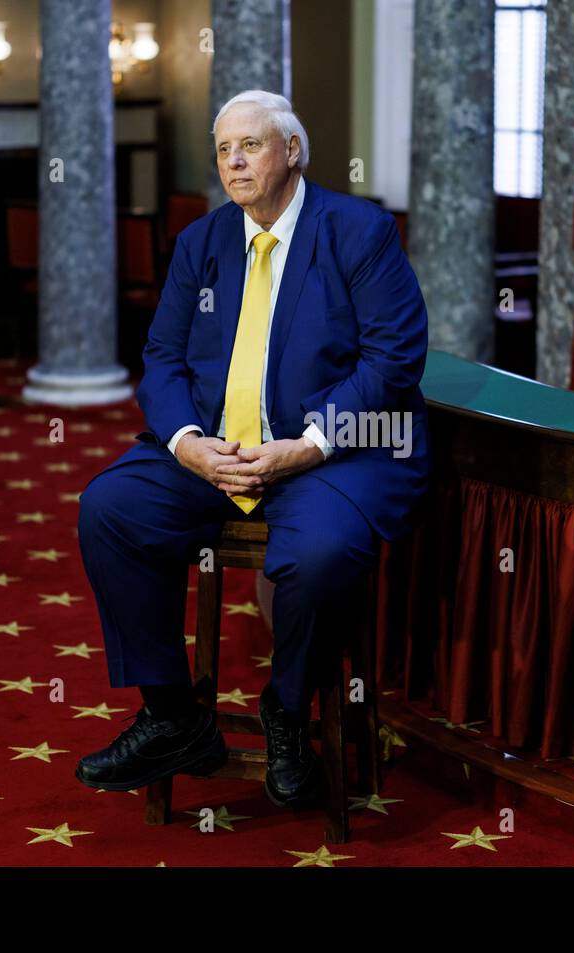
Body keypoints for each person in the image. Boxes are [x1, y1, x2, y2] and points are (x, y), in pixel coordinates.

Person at [74, 90, 430, 809]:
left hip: (329, 452)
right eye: (224, 150)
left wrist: (308, 444)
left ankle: (289, 713)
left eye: (251, 145)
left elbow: (393, 360)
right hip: (218, 450)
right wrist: (186, 443)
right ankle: (175, 716)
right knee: (109, 506)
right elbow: (163, 356)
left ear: (291, 150)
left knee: (323, 554)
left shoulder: (358, 232)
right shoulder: (202, 244)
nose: (234, 162)